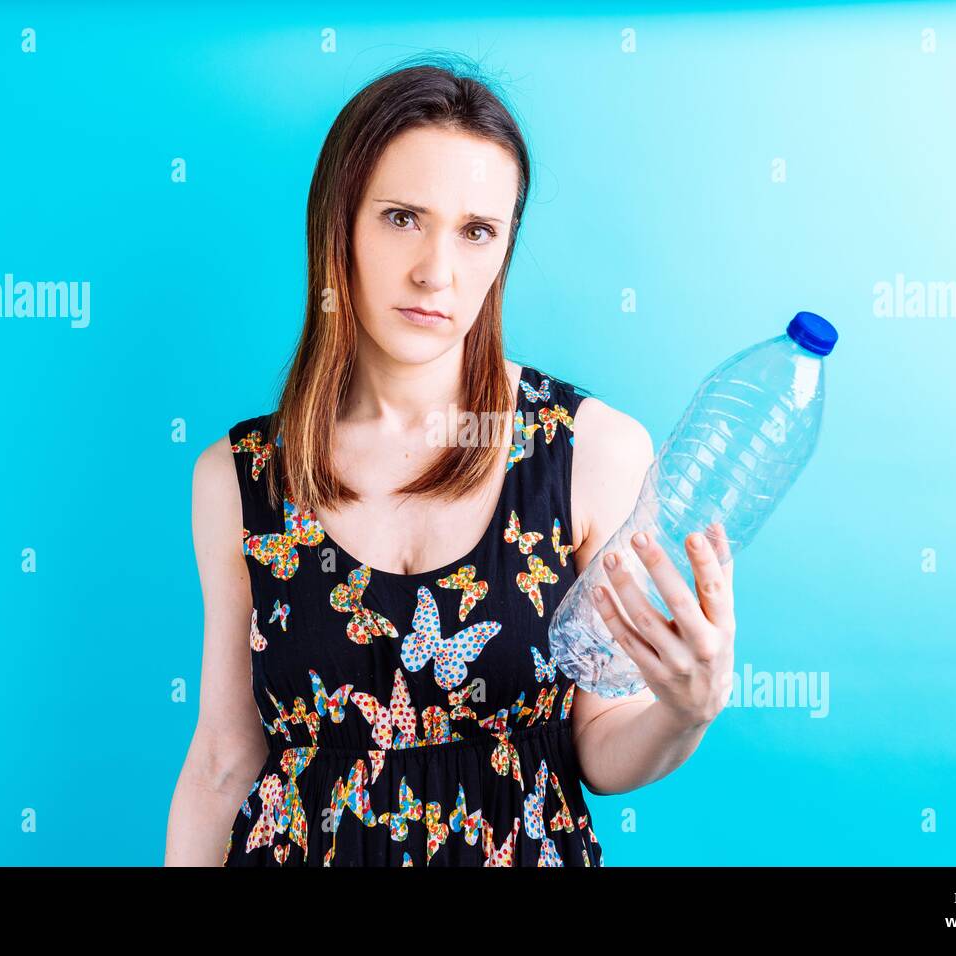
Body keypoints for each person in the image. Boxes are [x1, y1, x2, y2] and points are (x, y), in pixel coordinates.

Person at [165, 54, 736, 867]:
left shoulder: (592, 452)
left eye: (477, 231)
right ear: (340, 224)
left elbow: (601, 746)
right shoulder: (240, 475)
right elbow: (224, 759)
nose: (437, 271)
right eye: (402, 218)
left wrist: (687, 708)